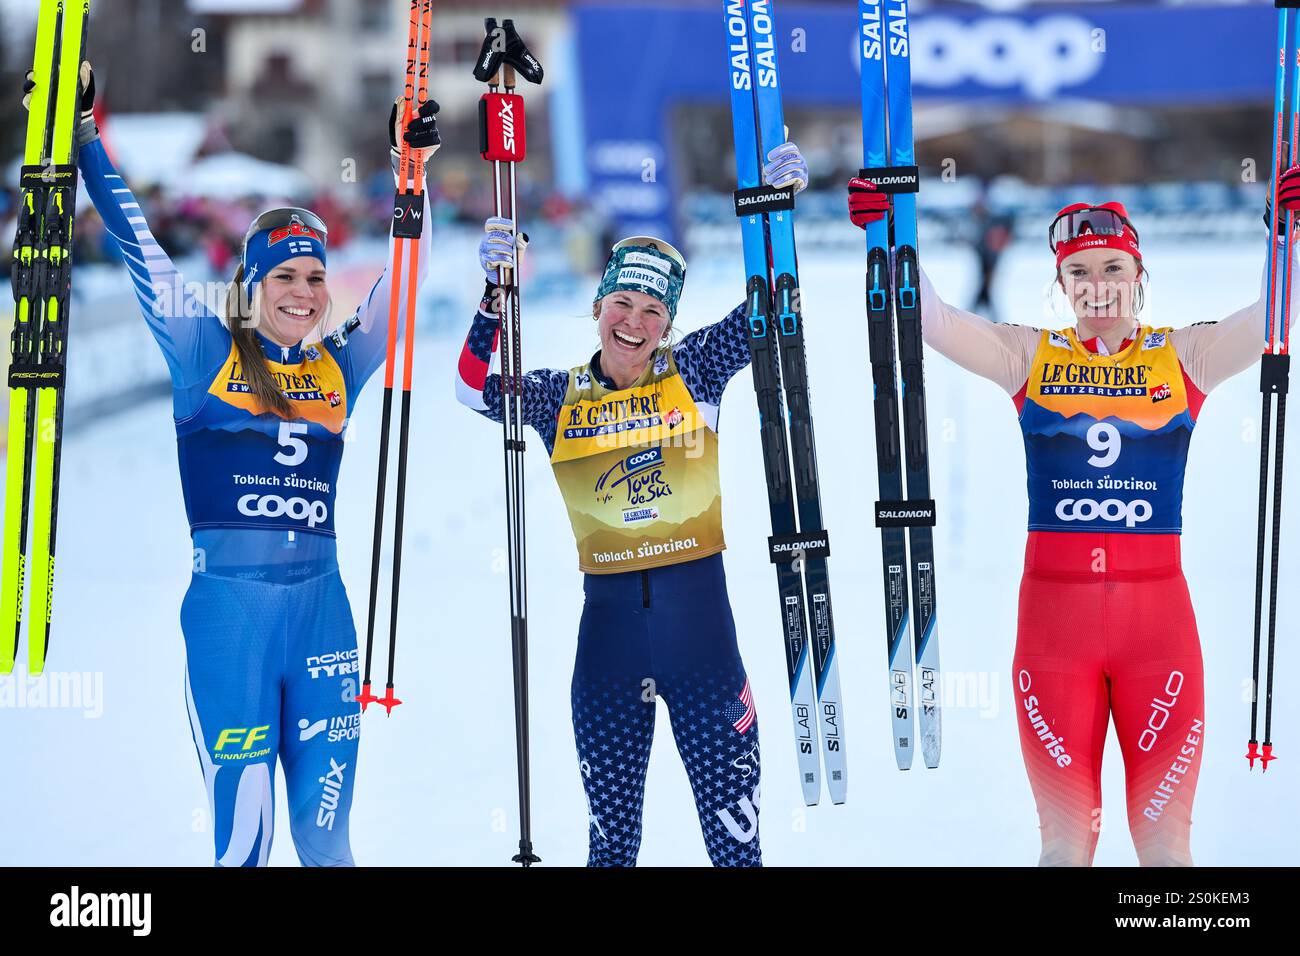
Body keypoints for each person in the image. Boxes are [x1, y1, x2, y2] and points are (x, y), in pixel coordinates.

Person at [848, 177, 1300, 866]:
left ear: (1138, 273)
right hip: (1055, 631)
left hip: (1160, 633)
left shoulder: (1185, 355)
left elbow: (1275, 314)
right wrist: (887, 236)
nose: (1098, 285)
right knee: (1066, 839)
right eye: (1078, 271)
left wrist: (1285, 233)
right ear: (1060, 283)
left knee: (1164, 842)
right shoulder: (1030, 354)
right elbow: (929, 318)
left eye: (1113, 267)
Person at [54, 64, 440, 865]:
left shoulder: (340, 363)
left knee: (327, 838)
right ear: (252, 283)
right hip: (231, 618)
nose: (302, 291)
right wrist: (86, 138)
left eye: (314, 277)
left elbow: (404, 286)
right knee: (247, 841)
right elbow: (140, 249)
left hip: (323, 617)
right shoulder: (205, 349)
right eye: (284, 277)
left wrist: (415, 174)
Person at [456, 145, 812, 867]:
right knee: (611, 851)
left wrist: (776, 211)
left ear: (669, 323)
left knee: (737, 850)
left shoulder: (698, 371)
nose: (634, 322)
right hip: (609, 659)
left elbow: (774, 312)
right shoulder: (556, 397)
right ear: (597, 306)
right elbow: (470, 386)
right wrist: (494, 299)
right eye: (623, 302)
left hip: (705, 655)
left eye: (653, 310)